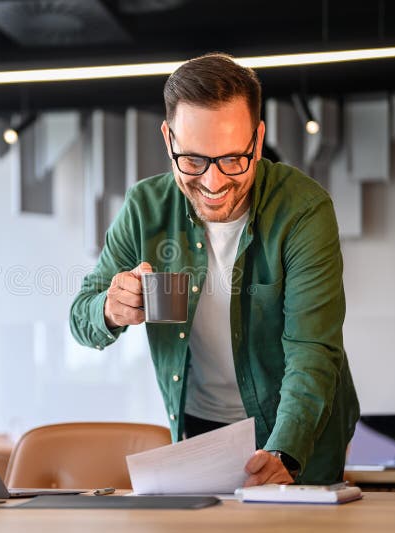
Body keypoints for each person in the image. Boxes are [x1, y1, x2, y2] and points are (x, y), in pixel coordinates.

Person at [69, 53, 359, 486]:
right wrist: (110, 310)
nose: (213, 182)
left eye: (233, 159)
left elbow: (312, 350)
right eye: (192, 160)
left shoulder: (303, 210)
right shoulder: (145, 209)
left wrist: (284, 452)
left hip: (299, 433)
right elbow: (80, 318)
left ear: (258, 140)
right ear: (168, 138)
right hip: (202, 430)